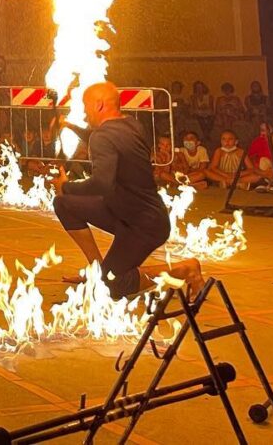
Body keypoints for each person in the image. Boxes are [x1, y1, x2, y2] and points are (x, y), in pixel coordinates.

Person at [51, 81, 202, 300]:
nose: (84, 113)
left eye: (86, 106)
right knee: (64, 204)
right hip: (123, 212)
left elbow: (102, 183)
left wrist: (65, 186)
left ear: (100, 104)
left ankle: (185, 269)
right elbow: (102, 139)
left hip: (143, 225)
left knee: (114, 285)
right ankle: (97, 272)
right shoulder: (131, 125)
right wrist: (71, 127)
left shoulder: (103, 137)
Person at [242, 124, 273, 192]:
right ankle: (265, 183)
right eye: (262, 130)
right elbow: (252, 164)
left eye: (268, 130)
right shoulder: (259, 142)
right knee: (263, 160)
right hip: (265, 173)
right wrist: (264, 173)